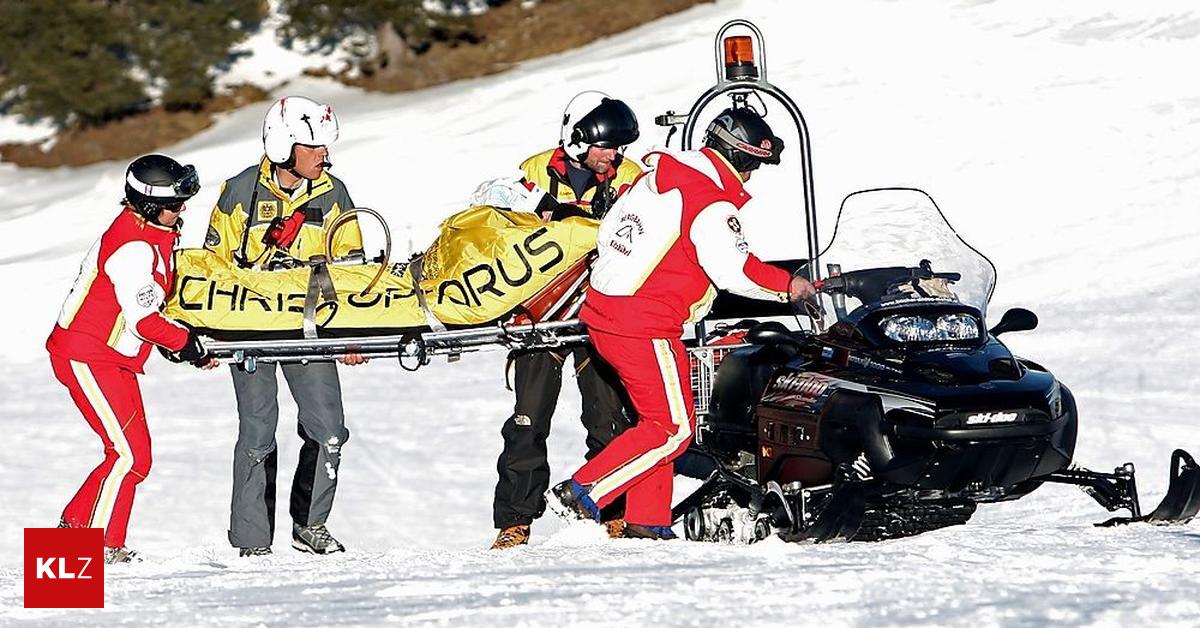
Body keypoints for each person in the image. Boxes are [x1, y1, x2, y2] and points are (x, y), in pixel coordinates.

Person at [549, 107, 816, 539]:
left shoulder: (656, 177)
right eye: (756, 166)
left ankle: (648, 521)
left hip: (606, 312)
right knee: (674, 429)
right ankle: (584, 491)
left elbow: (611, 232)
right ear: (744, 159)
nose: (753, 177)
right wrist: (792, 287)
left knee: (654, 421)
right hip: (644, 321)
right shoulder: (709, 199)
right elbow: (735, 271)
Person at [474, 91, 644, 549]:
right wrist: (539, 208)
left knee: (608, 416)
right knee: (528, 420)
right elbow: (491, 218)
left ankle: (614, 510)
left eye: (618, 147)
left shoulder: (630, 177)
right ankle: (516, 521)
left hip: (598, 315)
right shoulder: (534, 172)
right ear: (577, 140)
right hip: (540, 315)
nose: (613, 156)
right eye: (605, 146)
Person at [204, 95, 365, 557]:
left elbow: (351, 269)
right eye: (314, 147)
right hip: (250, 332)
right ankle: (253, 541)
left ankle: (310, 525)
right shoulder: (240, 191)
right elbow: (213, 268)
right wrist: (211, 337)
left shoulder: (334, 193)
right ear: (284, 145)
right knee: (257, 432)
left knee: (329, 429)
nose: (324, 156)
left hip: (311, 330)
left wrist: (351, 335)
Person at [48, 154, 208, 563]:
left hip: (109, 358)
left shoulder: (151, 231)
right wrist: (187, 346)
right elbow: (144, 322)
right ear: (152, 206)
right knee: (128, 456)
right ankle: (100, 550)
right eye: (175, 204)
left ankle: (70, 542)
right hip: (87, 356)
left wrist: (179, 342)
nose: (183, 209)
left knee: (132, 456)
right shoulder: (135, 247)